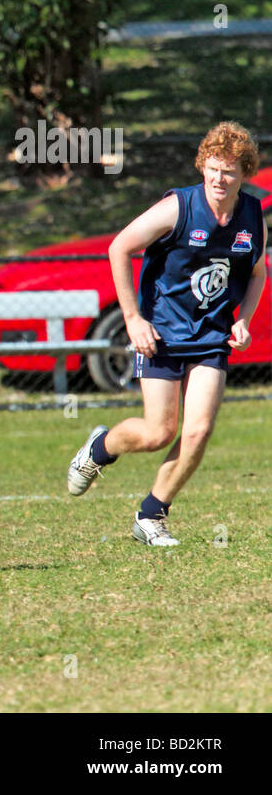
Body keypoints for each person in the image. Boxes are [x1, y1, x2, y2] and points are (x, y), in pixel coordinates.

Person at [67, 121, 266, 546]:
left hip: (211, 337)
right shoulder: (179, 207)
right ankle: (100, 447)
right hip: (161, 334)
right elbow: (118, 247)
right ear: (202, 167)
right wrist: (133, 320)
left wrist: (243, 318)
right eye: (213, 168)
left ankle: (152, 514)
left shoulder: (251, 215)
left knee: (197, 431)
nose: (219, 178)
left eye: (229, 170)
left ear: (244, 173)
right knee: (158, 433)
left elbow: (257, 272)